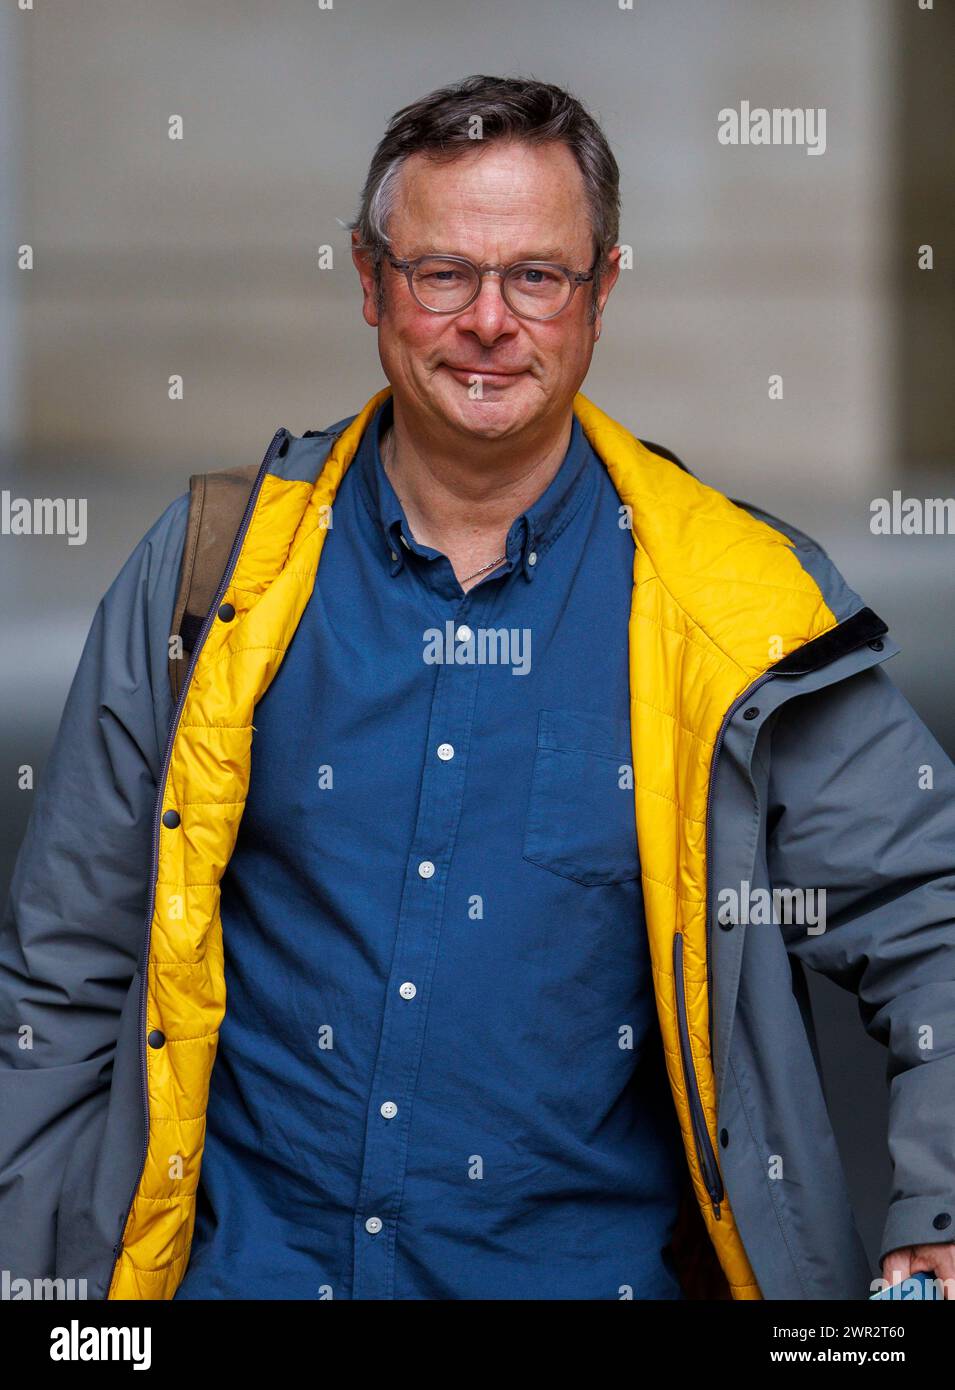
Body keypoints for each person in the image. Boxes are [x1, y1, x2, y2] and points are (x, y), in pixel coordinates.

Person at [2, 74, 953, 1302]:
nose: (488, 321)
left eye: (537, 276)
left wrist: (936, 1204)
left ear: (601, 290)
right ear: (368, 282)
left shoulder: (734, 603)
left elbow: (932, 911)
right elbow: (60, 970)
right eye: (441, 272)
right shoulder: (209, 573)